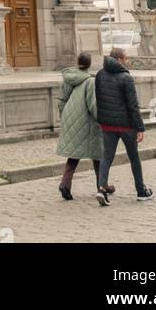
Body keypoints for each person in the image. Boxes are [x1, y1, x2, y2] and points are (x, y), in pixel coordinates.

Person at [94, 47, 153, 205]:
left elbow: (98, 100)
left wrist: (101, 120)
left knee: (106, 157)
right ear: (119, 60)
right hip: (126, 126)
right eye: (125, 58)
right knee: (134, 158)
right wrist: (140, 128)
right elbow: (133, 105)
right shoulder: (125, 77)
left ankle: (101, 189)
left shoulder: (99, 75)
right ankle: (141, 191)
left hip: (107, 125)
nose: (127, 61)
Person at [56, 52, 111, 200]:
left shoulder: (68, 79)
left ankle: (65, 184)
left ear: (77, 62)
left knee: (74, 155)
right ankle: (102, 186)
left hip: (70, 118)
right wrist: (103, 120)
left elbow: (61, 100)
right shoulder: (90, 82)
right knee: (98, 153)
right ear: (90, 64)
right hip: (86, 121)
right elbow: (93, 105)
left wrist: (65, 117)